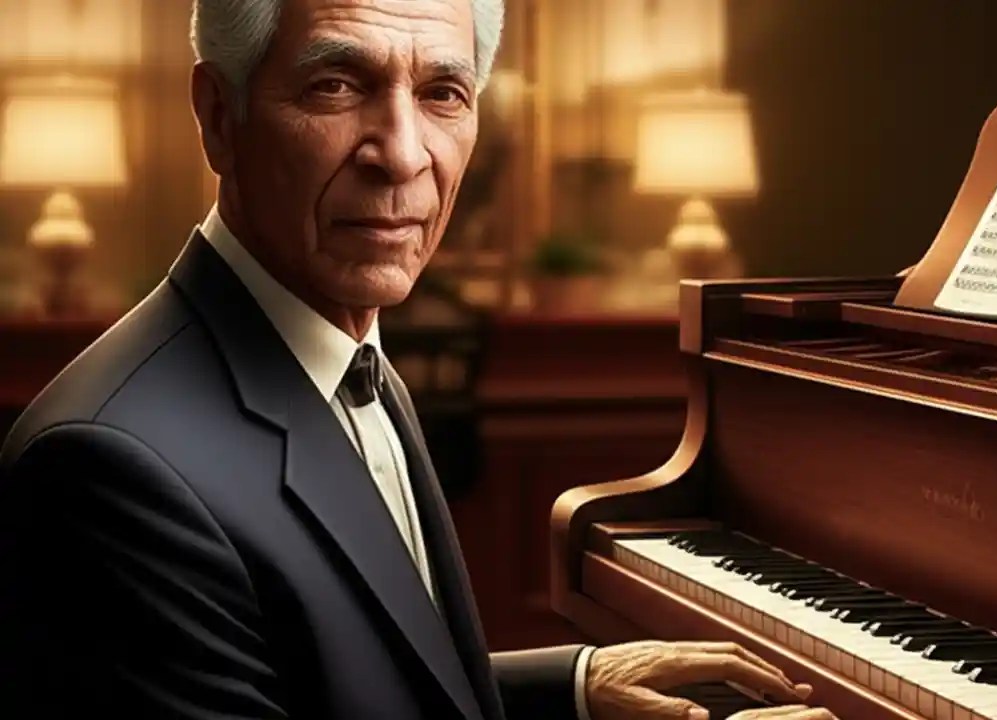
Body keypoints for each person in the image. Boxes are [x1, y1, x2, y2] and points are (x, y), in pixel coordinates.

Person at [0, 1, 840, 718]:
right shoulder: (109, 471)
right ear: (222, 117)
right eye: (336, 85)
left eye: (443, 92)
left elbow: (340, 677)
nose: (403, 155)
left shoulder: (335, 340)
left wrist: (574, 683)